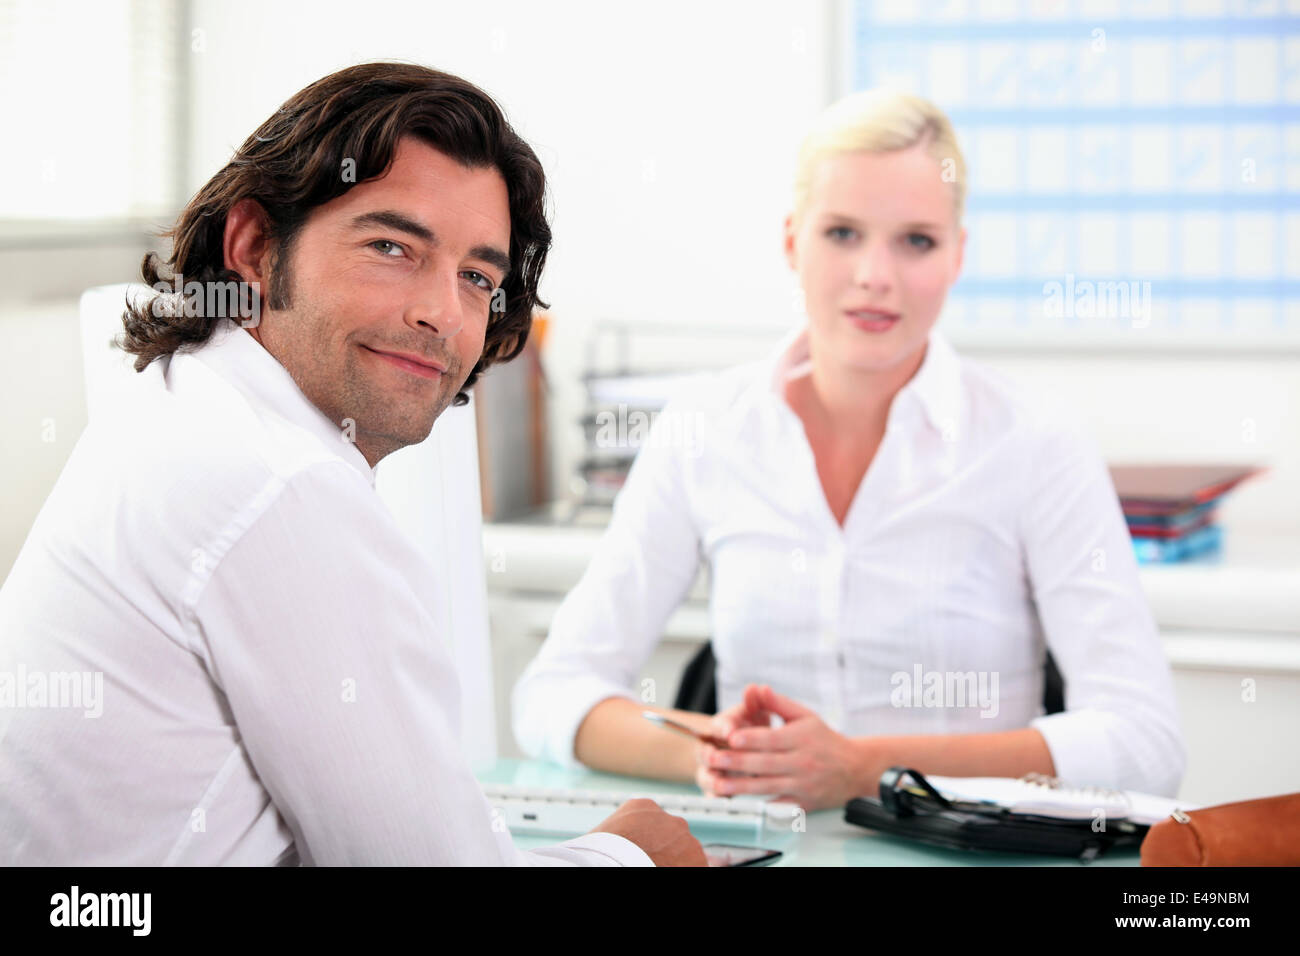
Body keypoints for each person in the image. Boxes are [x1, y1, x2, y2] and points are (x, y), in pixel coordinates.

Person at [0, 62, 704, 866]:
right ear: (255, 247)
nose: (441, 311)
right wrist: (632, 856)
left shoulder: (190, 403)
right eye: (391, 246)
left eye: (477, 277)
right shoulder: (276, 482)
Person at [513, 89, 1186, 811]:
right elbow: (551, 695)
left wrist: (863, 767)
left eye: (916, 241)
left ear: (958, 255)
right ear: (791, 241)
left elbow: (1144, 744)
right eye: (842, 233)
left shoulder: (1036, 441)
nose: (875, 275)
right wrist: (730, 759)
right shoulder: (706, 426)